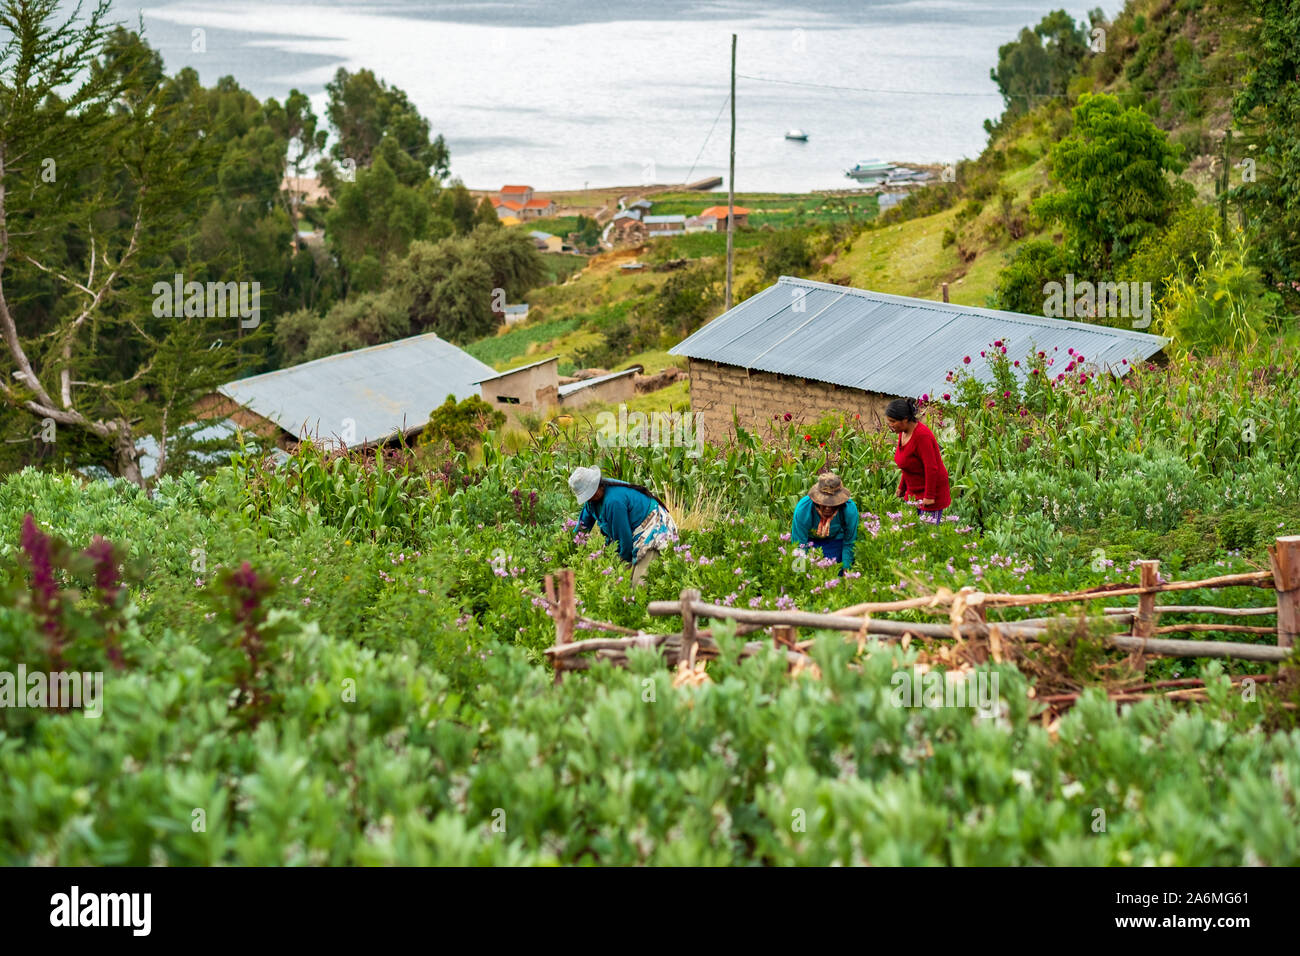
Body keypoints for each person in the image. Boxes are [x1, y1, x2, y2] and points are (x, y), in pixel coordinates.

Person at [568, 466, 677, 587]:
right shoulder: (592, 502)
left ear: (597, 484)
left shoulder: (613, 501)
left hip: (653, 529)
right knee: (609, 579)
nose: (589, 497)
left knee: (639, 585)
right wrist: (570, 549)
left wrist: (624, 565)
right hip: (631, 534)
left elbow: (624, 540)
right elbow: (582, 527)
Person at [886, 396, 951, 524]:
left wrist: (929, 496)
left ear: (905, 420)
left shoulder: (922, 436)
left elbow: (931, 467)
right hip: (914, 491)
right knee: (913, 533)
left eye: (893, 421)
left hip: (931, 492)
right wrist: (902, 487)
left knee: (928, 535)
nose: (890, 425)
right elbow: (909, 464)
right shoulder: (903, 432)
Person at [791, 472, 859, 573]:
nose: (827, 508)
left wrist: (847, 572)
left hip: (836, 542)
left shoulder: (849, 510)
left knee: (836, 573)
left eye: (832, 503)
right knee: (810, 572)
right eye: (824, 503)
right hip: (810, 543)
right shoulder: (804, 509)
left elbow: (849, 542)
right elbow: (799, 543)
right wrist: (799, 574)